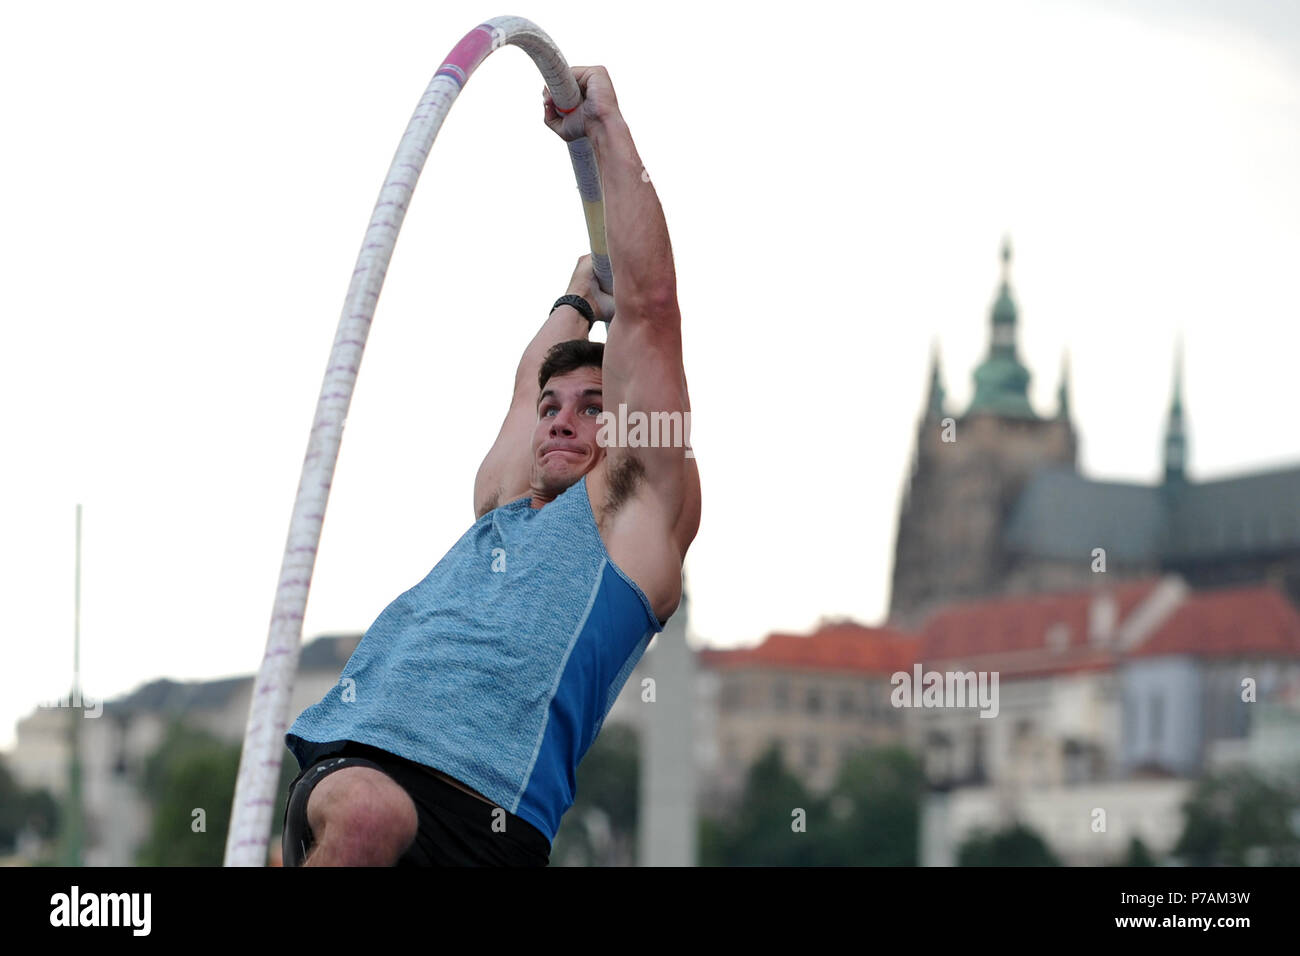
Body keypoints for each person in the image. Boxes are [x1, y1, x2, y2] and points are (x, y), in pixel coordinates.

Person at [280, 65, 701, 866]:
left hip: (494, 823)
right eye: (553, 410)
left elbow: (652, 310)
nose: (561, 422)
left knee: (386, 819)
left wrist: (604, 126)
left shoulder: (628, 523)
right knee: (369, 814)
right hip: (364, 764)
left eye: (590, 408)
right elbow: (527, 389)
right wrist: (576, 296)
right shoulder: (502, 505)